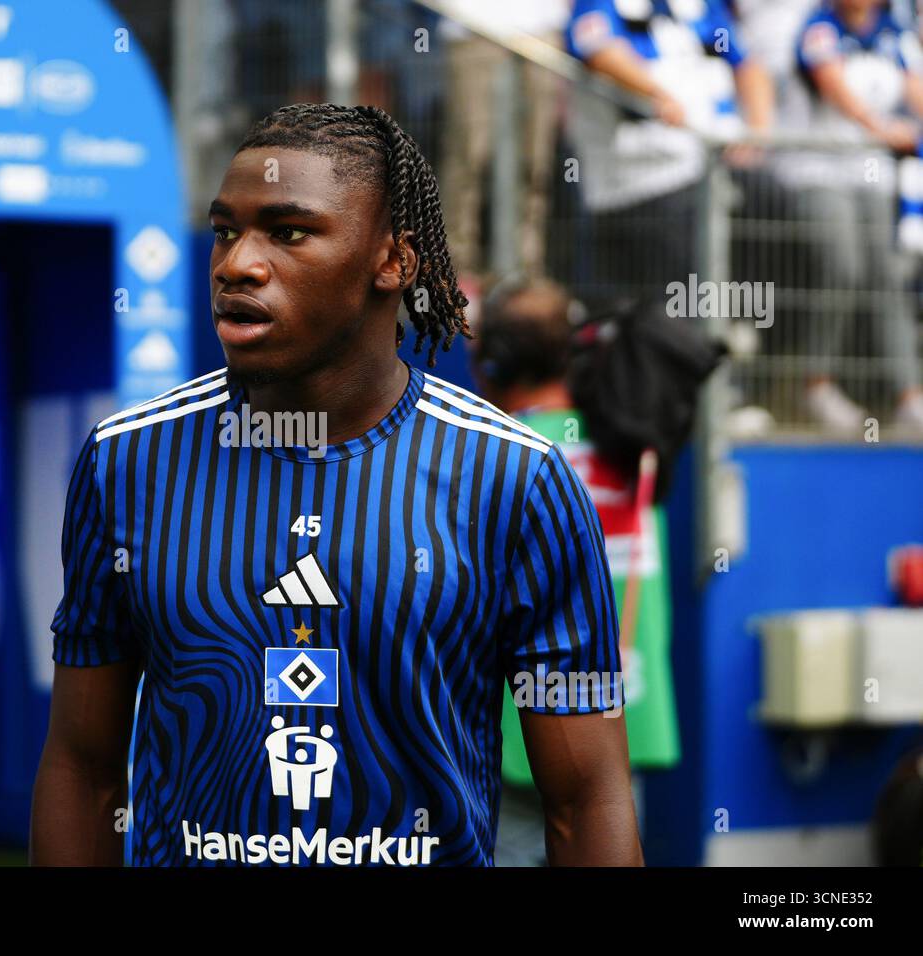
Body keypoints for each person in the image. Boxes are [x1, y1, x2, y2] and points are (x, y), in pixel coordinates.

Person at [32, 104, 641, 867]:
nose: (236, 263)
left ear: (393, 260)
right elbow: (82, 772)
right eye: (226, 230)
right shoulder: (128, 462)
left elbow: (585, 802)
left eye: (287, 232)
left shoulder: (515, 479)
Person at [470, 279, 683, 866]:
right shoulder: (633, 449)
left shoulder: (501, 456)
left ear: (493, 362)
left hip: (524, 740)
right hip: (623, 726)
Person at [564, 0, 774, 298]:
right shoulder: (600, 5)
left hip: (708, 167)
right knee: (670, 299)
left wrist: (757, 133)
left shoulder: (701, 7)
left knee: (771, 202)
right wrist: (658, 95)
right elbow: (597, 49)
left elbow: (748, 64)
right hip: (640, 184)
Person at [784, 0, 923, 433]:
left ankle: (909, 396)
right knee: (843, 267)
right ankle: (816, 383)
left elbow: (915, 90)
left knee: (888, 277)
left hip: (877, 179)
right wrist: (886, 130)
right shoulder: (817, 29)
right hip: (821, 172)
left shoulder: (894, 33)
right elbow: (837, 91)